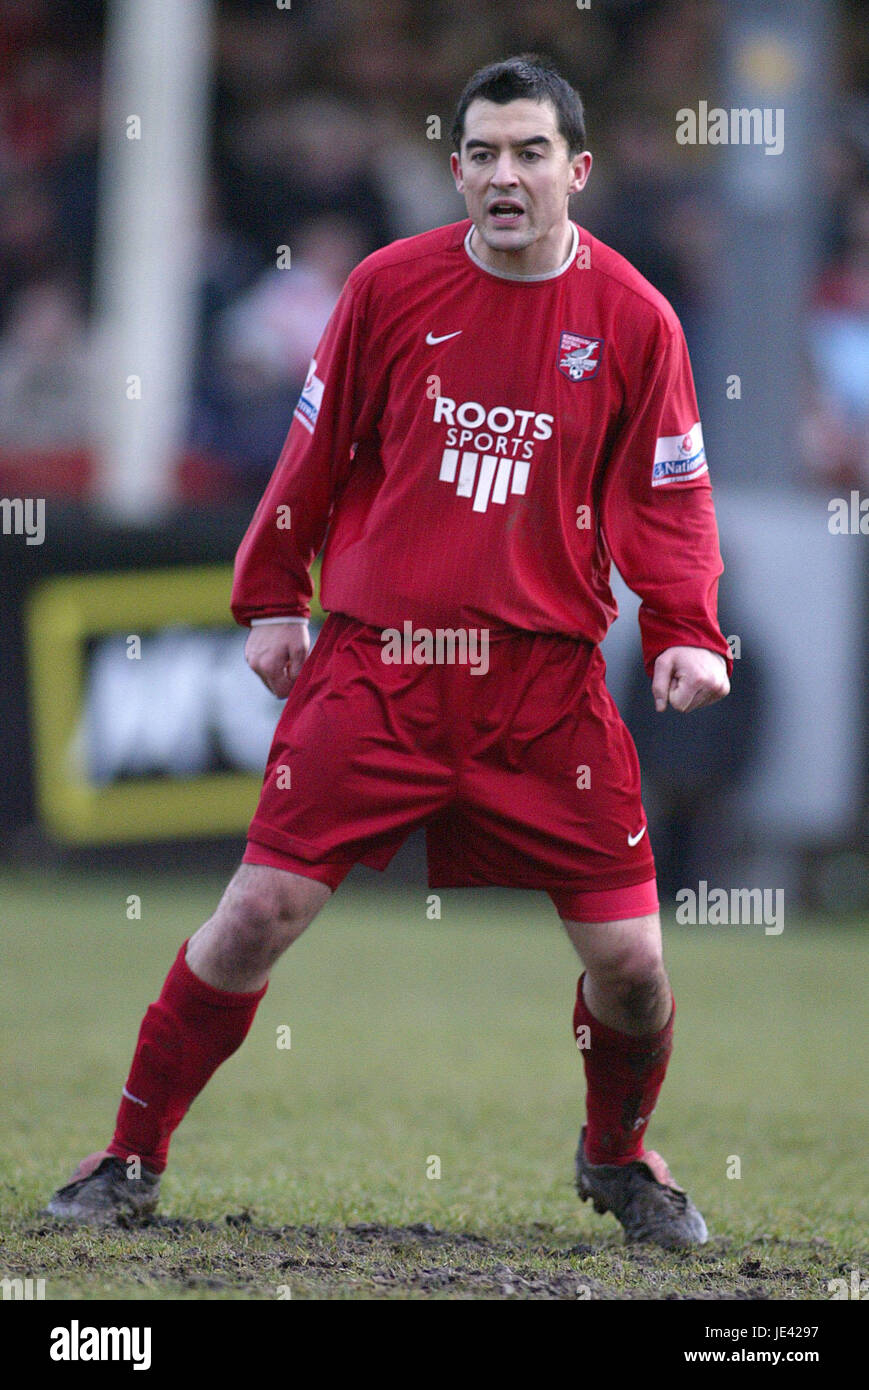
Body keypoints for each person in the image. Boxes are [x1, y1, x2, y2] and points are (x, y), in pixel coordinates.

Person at [47, 55, 731, 1249]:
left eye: (529, 153)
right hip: (383, 667)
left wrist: (683, 629)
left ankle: (618, 1158)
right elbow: (311, 454)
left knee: (631, 967)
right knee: (253, 914)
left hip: (543, 689)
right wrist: (273, 597)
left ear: (575, 170)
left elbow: (669, 493)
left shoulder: (634, 319)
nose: (504, 175)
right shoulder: (387, 287)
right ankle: (129, 1156)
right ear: (454, 168)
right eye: (482, 153)